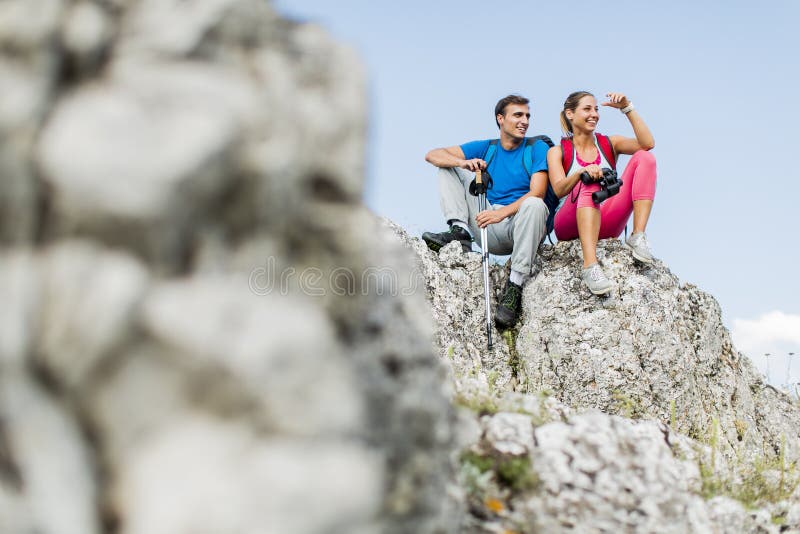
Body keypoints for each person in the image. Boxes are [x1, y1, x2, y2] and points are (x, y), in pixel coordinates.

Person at [421, 94, 556, 329]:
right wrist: (463, 163)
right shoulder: (488, 148)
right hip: (485, 224)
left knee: (535, 204)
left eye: (527, 116)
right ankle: (459, 232)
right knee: (446, 167)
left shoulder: (537, 147)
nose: (524, 121)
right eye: (518, 115)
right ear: (500, 119)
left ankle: (514, 286)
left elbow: (538, 191)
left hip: (518, 225)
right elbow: (432, 154)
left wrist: (501, 214)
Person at [547, 91, 656, 295]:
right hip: (569, 223)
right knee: (590, 181)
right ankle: (590, 266)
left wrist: (627, 108)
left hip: (605, 220)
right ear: (570, 114)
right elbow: (559, 188)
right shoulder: (558, 151)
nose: (594, 114)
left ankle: (638, 235)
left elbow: (647, 144)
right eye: (587, 109)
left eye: (596, 109)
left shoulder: (609, 143)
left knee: (646, 158)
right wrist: (581, 173)